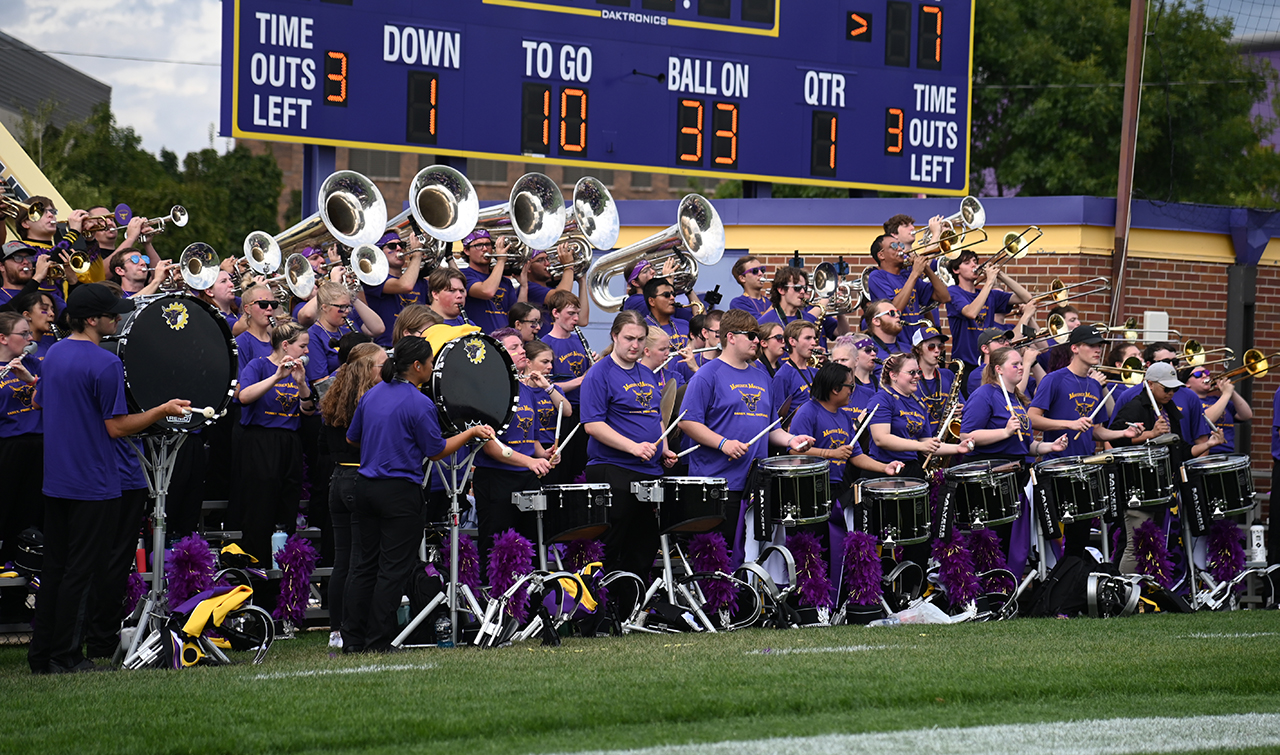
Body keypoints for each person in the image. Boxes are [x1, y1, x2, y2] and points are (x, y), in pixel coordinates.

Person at [28, 283, 188, 674]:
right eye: (111, 314)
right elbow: (117, 428)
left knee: (55, 570)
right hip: (93, 482)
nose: (117, 318)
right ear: (90, 319)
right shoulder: (105, 363)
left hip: (57, 480)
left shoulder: (53, 355)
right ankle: (66, 657)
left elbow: (38, 401)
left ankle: (42, 655)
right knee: (81, 573)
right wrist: (161, 409)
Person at [343, 336, 494, 653]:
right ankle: (377, 642)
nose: (432, 367)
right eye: (429, 362)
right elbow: (436, 450)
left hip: (365, 487)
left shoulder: (371, 396)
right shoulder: (419, 402)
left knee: (363, 566)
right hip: (399, 492)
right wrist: (470, 432)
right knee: (392, 569)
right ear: (417, 366)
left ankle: (353, 639)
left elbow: (352, 438)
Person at [678, 309, 815, 567]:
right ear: (730, 336)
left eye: (758, 335)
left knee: (751, 558)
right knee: (720, 558)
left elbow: (771, 427)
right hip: (717, 483)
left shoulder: (762, 376)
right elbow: (687, 421)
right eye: (751, 335)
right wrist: (723, 443)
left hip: (755, 484)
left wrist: (790, 440)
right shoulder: (708, 374)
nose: (756, 340)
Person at [789, 362, 904, 599]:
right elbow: (794, 452)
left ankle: (836, 595)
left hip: (837, 488)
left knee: (836, 544)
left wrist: (885, 468)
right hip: (810, 489)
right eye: (850, 386)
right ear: (834, 389)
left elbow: (856, 456)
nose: (853, 391)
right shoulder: (808, 412)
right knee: (812, 546)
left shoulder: (843, 417)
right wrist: (829, 454)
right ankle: (811, 598)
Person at [1028, 325, 1143, 557]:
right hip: (1057, 467)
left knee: (1078, 540)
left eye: (1099, 345)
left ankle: (1073, 583)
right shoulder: (1054, 380)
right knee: (1053, 538)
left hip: (1085, 468)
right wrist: (1068, 424)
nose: (1097, 350)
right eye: (1091, 345)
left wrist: (1123, 434)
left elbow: (1097, 431)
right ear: (1075, 348)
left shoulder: (1094, 385)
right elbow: (1032, 418)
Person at [582, 311, 678, 579]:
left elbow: (656, 416)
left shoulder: (646, 373)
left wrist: (664, 448)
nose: (635, 345)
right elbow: (593, 425)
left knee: (643, 549)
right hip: (614, 469)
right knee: (612, 549)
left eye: (640, 339)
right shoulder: (599, 374)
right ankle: (605, 611)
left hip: (649, 471)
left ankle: (633, 610)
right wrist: (633, 447)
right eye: (628, 338)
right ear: (614, 336)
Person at [960, 347, 1068, 572]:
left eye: (1021, 363)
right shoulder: (985, 394)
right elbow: (966, 437)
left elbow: (1024, 445)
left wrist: (1048, 446)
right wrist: (1004, 432)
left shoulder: (1017, 399)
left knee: (1012, 540)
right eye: (1015, 364)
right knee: (995, 540)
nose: (1021, 367)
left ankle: (1008, 586)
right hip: (991, 479)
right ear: (998, 369)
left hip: (1016, 475)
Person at [1109, 362, 1221, 574]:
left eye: (1174, 389)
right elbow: (1115, 441)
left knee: (1154, 544)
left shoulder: (1168, 409)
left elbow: (1180, 450)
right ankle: (1124, 596)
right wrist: (1150, 434)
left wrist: (1208, 445)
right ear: (1150, 384)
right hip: (1138, 488)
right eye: (1166, 388)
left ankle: (1147, 596)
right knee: (1135, 545)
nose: (1171, 393)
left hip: (1162, 488)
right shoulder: (1134, 406)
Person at [234, 322, 314, 566]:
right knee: (261, 504)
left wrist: (301, 384)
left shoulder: (300, 371)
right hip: (261, 440)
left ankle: (284, 562)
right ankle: (256, 561)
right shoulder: (258, 365)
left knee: (287, 503)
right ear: (286, 345)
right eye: (303, 346)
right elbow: (244, 396)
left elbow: (308, 410)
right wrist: (277, 376)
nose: (307, 351)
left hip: (289, 441)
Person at [472, 329, 555, 567]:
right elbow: (491, 448)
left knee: (532, 543)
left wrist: (543, 454)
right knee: (498, 547)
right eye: (514, 347)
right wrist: (530, 461)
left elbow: (532, 438)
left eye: (522, 346)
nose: (522, 352)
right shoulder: (486, 392)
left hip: (527, 478)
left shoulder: (526, 389)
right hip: (497, 479)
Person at [864, 352, 974, 481]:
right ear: (893, 375)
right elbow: (881, 439)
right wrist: (920, 446)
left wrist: (958, 448)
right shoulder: (882, 399)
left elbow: (926, 442)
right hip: (884, 470)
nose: (917, 377)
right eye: (911, 372)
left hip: (911, 468)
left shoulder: (919, 404)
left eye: (918, 372)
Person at [0, 310, 42, 624]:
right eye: (23, 334)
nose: (30, 340)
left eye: (30, 333)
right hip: (8, 446)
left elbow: (55, 393)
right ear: (3, 338)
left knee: (31, 513)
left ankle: (23, 580)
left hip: (39, 444)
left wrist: (34, 380)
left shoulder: (34, 365)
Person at [944, 249, 1033, 379]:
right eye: (967, 263)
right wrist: (989, 281)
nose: (974, 265)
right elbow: (971, 312)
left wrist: (1001, 275)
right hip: (964, 365)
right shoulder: (953, 291)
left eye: (975, 261)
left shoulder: (991, 295)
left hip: (988, 364)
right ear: (956, 270)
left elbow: (1026, 297)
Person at [866, 223, 950, 346]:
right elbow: (894, 309)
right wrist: (915, 273)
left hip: (916, 345)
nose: (900, 249)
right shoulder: (877, 276)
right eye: (894, 246)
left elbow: (945, 297)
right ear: (881, 255)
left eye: (900, 245)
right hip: (895, 345)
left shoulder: (907, 276)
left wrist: (926, 268)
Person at [542, 290, 593, 483]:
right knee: (562, 468)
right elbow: (546, 385)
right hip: (561, 412)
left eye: (577, 314)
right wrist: (581, 380)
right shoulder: (546, 343)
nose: (576, 319)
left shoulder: (579, 339)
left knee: (580, 465)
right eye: (570, 313)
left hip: (583, 409)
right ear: (555, 313)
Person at [305, 282, 385, 384]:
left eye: (348, 306)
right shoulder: (313, 336)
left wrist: (354, 299)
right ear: (324, 307)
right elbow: (320, 384)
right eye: (342, 307)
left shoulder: (347, 329)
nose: (346, 311)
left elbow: (379, 328)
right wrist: (351, 363)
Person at [362, 231, 430, 347]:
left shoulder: (418, 280)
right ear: (378, 253)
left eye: (402, 245)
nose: (399, 248)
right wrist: (417, 253)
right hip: (390, 347)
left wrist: (444, 256)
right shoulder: (374, 280)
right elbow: (405, 286)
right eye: (392, 246)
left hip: (421, 344)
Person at [462, 230, 525, 334]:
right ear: (466, 250)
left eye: (488, 244)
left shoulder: (505, 281)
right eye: (479, 245)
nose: (485, 249)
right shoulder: (463, 275)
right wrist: (501, 261)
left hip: (505, 340)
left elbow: (517, 315)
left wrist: (524, 286)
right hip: (480, 340)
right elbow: (487, 291)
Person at [758, 266, 839, 346]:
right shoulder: (764, 322)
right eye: (797, 288)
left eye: (804, 288)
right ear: (781, 290)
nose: (803, 291)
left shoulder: (811, 319)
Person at [1184, 365, 1252, 454]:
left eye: (1206, 372)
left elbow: (1246, 415)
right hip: (1206, 454)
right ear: (1187, 384)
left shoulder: (1217, 399)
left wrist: (1231, 391)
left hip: (1228, 453)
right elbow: (1208, 419)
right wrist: (1226, 394)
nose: (1205, 376)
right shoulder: (1190, 402)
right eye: (1198, 374)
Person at [771, 320, 819, 424]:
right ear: (792, 341)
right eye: (808, 338)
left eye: (814, 338)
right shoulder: (782, 376)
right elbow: (778, 417)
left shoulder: (816, 372)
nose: (814, 343)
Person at [911, 324, 957, 426]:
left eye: (940, 346)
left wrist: (961, 409)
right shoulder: (910, 378)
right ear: (918, 350)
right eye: (931, 346)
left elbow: (960, 403)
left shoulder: (948, 375)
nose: (937, 350)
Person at [10, 291, 60, 360]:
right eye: (45, 309)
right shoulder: (15, 349)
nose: (52, 314)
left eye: (52, 310)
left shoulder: (52, 349)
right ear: (27, 315)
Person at [106, 248, 172, 298]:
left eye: (144, 259)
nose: (143, 262)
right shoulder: (114, 297)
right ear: (120, 271)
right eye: (134, 260)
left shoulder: (155, 295)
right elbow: (129, 304)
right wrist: (157, 280)